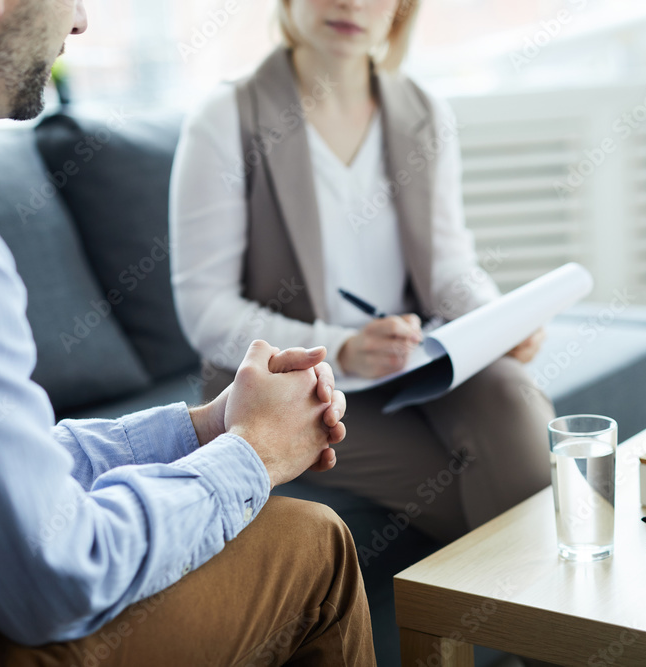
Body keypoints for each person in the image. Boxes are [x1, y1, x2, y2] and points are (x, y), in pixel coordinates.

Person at [0, 0, 376, 664]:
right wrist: (255, 454)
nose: (83, 20)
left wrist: (204, 430)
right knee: (311, 546)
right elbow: (57, 574)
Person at [171, 0, 554, 546]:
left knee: (511, 395)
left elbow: (449, 267)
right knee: (494, 503)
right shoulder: (226, 117)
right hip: (293, 386)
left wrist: (497, 319)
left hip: (413, 361)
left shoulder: (424, 111)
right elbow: (206, 310)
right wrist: (343, 348)